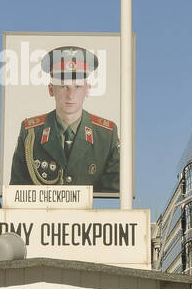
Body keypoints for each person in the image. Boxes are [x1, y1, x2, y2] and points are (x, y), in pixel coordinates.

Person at [9, 46, 120, 193]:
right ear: (51, 89)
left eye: (78, 87)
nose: (71, 95)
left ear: (88, 89)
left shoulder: (106, 135)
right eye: (63, 87)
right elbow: (17, 194)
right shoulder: (31, 133)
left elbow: (114, 197)